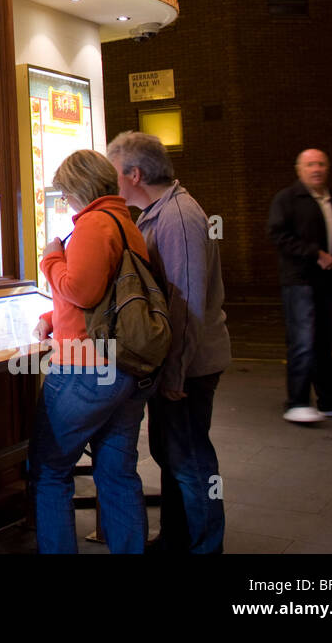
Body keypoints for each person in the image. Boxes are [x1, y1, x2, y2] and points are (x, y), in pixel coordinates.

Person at [108, 131, 230, 554]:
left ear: (135, 174)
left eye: (114, 172)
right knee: (174, 454)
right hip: (181, 363)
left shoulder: (178, 218)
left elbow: (188, 304)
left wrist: (175, 371)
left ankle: (204, 546)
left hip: (190, 366)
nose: (111, 181)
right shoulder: (159, 212)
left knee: (192, 461)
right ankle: (177, 540)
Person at [31, 149, 153, 554]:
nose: (64, 200)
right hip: (123, 368)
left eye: (65, 192)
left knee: (49, 470)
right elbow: (103, 296)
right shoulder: (124, 222)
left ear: (79, 187)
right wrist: (54, 315)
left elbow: (80, 289)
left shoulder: (92, 224)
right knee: (117, 473)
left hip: (85, 368)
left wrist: (50, 258)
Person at [267, 149, 332, 422]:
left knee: (323, 342)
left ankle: (331, 401)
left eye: (321, 164)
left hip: (326, 283)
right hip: (299, 282)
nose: (316, 169)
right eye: (310, 164)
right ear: (299, 169)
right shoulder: (287, 199)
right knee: (302, 341)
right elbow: (278, 235)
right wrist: (315, 254)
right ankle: (297, 402)